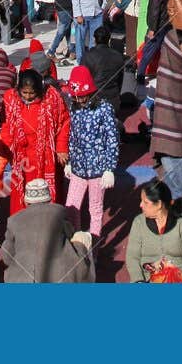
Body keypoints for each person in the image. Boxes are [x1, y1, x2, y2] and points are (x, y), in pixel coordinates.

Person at [0, 67, 70, 214]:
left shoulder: (52, 98)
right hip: (21, 157)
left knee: (46, 194)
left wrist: (61, 148)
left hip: (46, 157)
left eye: (32, 93)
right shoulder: (10, 99)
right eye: (24, 93)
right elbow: (5, 124)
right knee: (22, 193)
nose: (28, 97)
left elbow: (64, 122)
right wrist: (8, 146)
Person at [2, 177, 95, 282]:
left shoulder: (14, 220)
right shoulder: (59, 211)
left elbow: (6, 257)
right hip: (60, 277)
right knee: (82, 237)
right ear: (49, 198)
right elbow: (70, 234)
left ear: (26, 201)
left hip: (21, 280)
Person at [64, 66, 117, 238]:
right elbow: (72, 137)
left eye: (82, 96)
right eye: (76, 97)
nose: (79, 100)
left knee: (95, 209)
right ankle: (76, 245)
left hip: (98, 170)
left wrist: (109, 168)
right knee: (71, 207)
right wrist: (70, 162)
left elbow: (112, 139)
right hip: (78, 168)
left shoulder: (104, 108)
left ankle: (94, 249)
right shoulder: (74, 107)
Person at [150, 27, 182, 205]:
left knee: (178, 185)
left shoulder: (180, 70)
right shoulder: (167, 73)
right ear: (176, 48)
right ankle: (178, 223)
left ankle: (176, 222)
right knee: (177, 189)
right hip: (169, 142)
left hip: (180, 139)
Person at [125, 177, 182, 282]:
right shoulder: (139, 223)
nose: (140, 205)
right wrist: (138, 280)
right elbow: (132, 257)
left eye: (145, 202)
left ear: (159, 204)